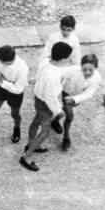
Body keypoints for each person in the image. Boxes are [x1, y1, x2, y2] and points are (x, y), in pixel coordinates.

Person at [20, 41, 71, 171]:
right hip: (45, 104)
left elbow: (40, 74)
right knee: (45, 132)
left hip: (38, 98)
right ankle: (26, 157)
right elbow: (50, 97)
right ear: (64, 58)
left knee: (36, 121)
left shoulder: (45, 62)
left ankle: (31, 143)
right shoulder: (53, 76)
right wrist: (58, 111)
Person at [59, 53, 102, 150]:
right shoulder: (74, 70)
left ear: (96, 67)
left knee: (64, 111)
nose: (87, 72)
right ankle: (66, 137)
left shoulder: (97, 78)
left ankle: (55, 120)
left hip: (77, 97)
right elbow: (59, 73)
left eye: (91, 70)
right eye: (84, 69)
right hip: (65, 93)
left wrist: (74, 99)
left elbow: (89, 93)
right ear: (81, 66)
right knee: (70, 116)